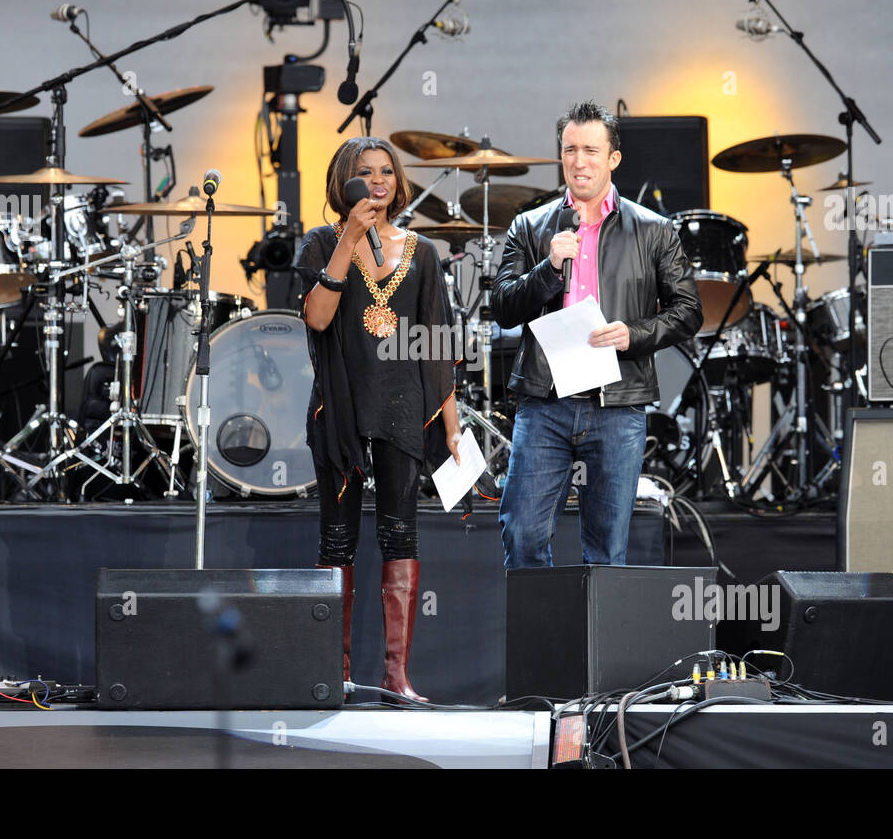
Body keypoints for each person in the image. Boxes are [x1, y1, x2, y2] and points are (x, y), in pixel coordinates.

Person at [493, 100, 703, 568]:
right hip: (544, 403)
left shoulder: (653, 230)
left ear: (613, 159)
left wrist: (635, 333)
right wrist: (548, 268)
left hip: (618, 403)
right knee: (523, 535)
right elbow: (503, 308)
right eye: (570, 150)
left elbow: (689, 311)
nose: (579, 161)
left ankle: (595, 643)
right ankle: (542, 641)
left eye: (591, 149)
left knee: (607, 551)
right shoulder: (530, 227)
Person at [295, 136, 461, 702]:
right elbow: (318, 319)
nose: (379, 181)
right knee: (337, 541)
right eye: (365, 172)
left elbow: (437, 341)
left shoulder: (423, 251)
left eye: (386, 171)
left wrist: (452, 420)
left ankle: (397, 677)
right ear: (345, 182)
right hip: (341, 407)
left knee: (399, 535)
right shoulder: (319, 243)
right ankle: (334, 671)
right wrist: (346, 238)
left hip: (402, 406)